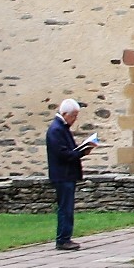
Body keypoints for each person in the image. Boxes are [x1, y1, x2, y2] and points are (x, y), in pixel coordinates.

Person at [45, 98, 97, 250]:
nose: (75, 120)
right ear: (65, 114)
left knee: (67, 207)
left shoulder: (61, 128)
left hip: (67, 174)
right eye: (74, 116)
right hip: (63, 175)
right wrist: (82, 152)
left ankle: (65, 237)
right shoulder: (56, 129)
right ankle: (63, 239)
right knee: (65, 208)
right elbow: (63, 154)